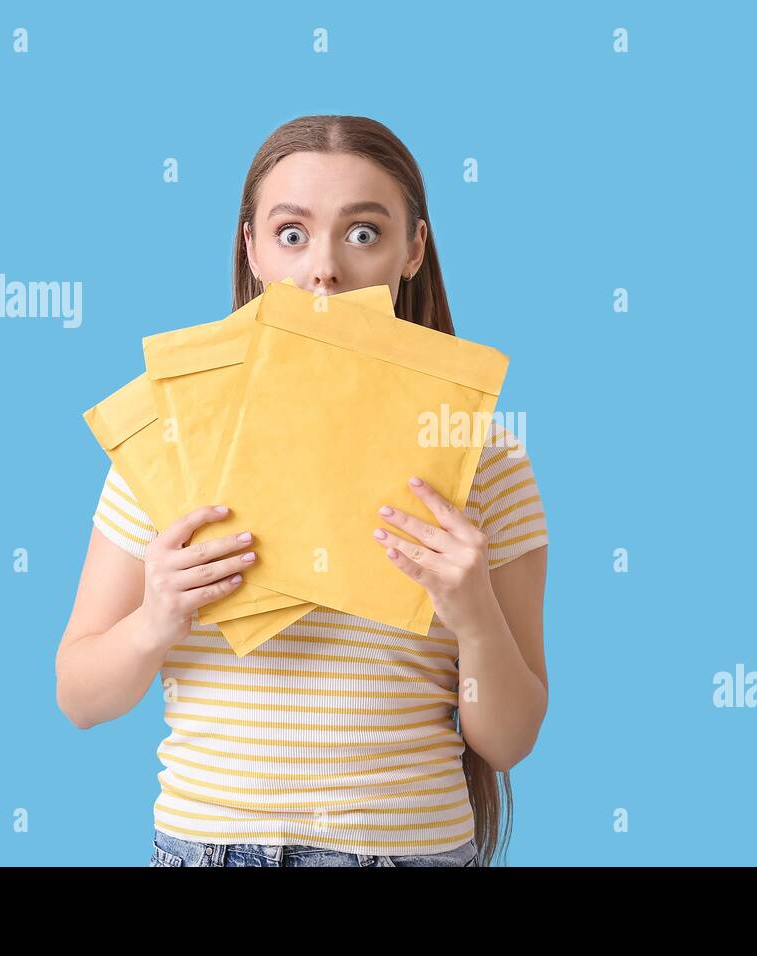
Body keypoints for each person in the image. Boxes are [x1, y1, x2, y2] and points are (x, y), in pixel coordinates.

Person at [56, 115, 549, 867]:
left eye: (362, 234)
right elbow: (80, 697)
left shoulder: (483, 454)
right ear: (251, 247)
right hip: (207, 847)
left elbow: (508, 740)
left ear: (412, 249)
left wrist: (476, 615)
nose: (323, 270)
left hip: (408, 851)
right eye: (292, 234)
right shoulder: (169, 438)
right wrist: (157, 616)